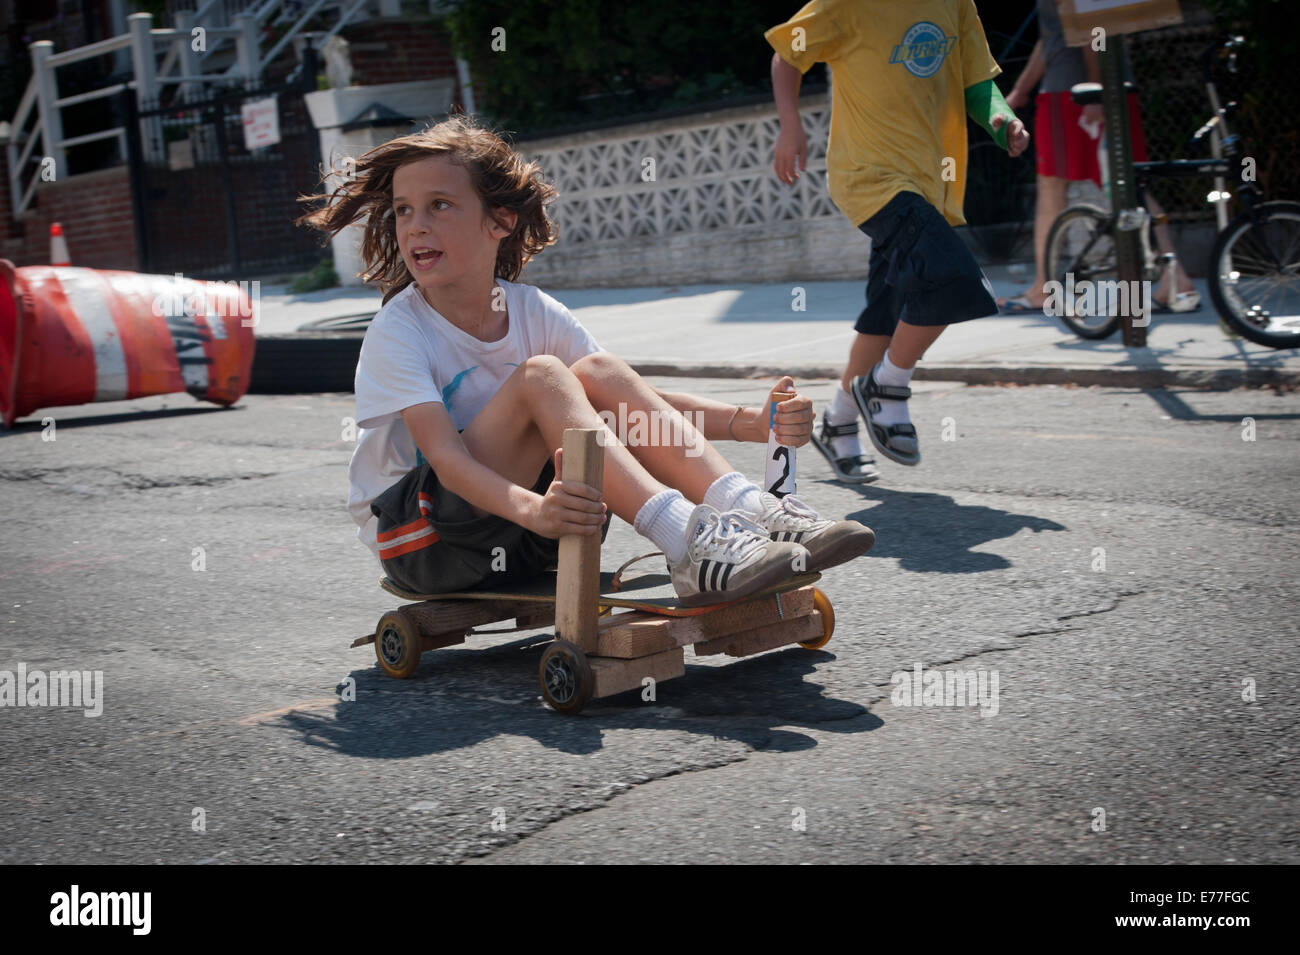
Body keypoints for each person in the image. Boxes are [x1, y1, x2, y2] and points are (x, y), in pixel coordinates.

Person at [296, 115, 875, 607]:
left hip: (526, 525)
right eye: (402, 210)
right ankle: (687, 544)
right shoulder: (400, 329)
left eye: (439, 205)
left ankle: (750, 510)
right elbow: (446, 461)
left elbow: (625, 405)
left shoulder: (530, 309)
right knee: (545, 376)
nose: (415, 224)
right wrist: (535, 510)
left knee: (595, 374)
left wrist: (749, 422)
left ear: (500, 221)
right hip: (424, 540)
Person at [767, 0, 1029, 482]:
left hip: (929, 183)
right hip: (870, 178)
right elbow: (788, 53)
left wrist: (1001, 118)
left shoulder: (956, 5)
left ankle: (840, 420)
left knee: (886, 315)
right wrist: (790, 125)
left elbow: (975, 81)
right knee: (953, 280)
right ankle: (887, 386)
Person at [999, 0, 1198, 314]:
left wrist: (1095, 92)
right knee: (1132, 183)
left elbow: (1095, 25)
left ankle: (1042, 288)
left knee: (1055, 188)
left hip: (1075, 94)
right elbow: (1054, 33)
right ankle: (1177, 280)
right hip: (1092, 89)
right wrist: (1022, 90)